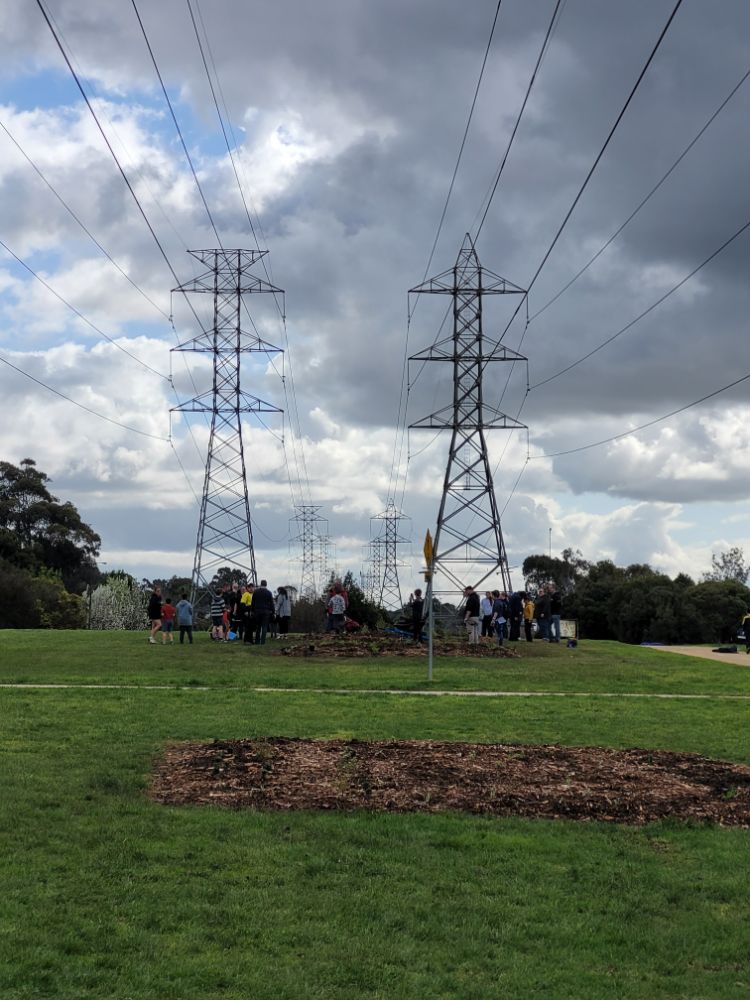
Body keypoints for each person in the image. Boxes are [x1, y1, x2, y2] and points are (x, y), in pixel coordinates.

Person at [251, 579, 275, 645]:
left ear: (260, 584)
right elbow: (271, 603)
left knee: (258, 626)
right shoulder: (269, 593)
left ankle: (257, 641)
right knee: (264, 627)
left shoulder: (256, 592)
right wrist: (273, 611)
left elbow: (253, 602)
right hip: (266, 612)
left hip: (257, 611)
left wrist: (252, 611)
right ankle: (263, 642)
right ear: (266, 585)